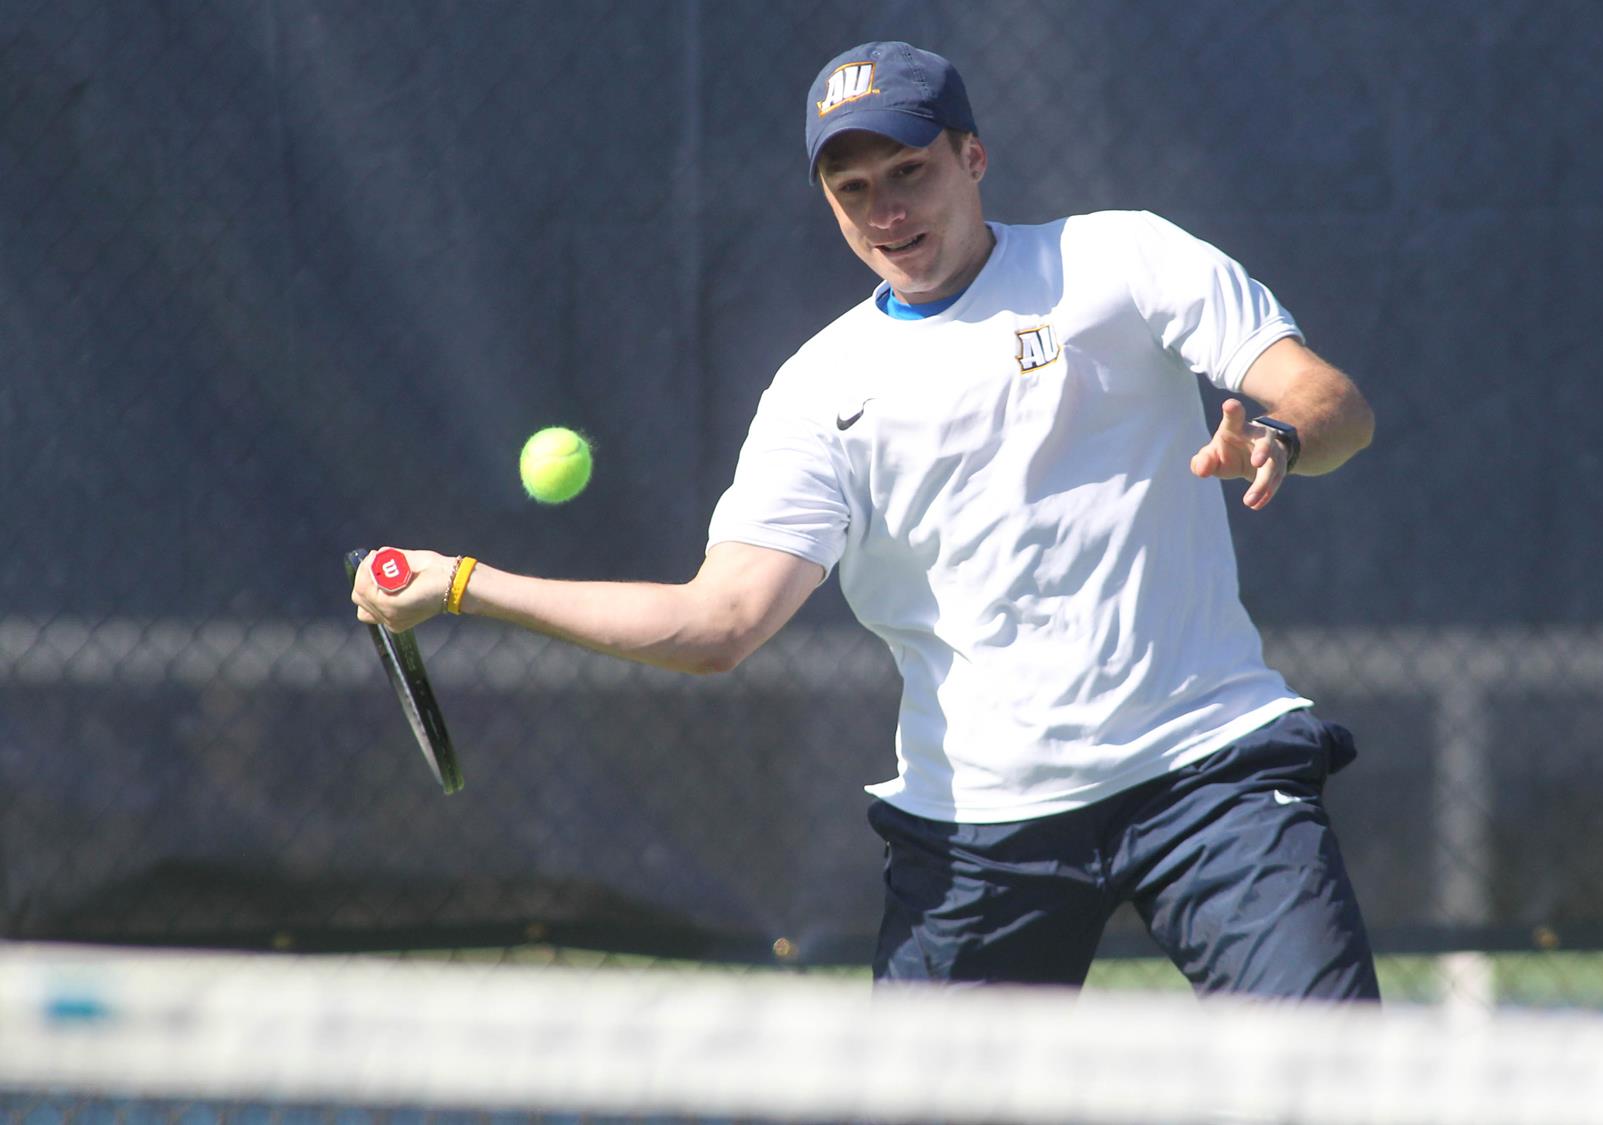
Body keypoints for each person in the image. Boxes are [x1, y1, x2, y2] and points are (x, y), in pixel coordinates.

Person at [352, 40, 1379, 999]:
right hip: (977, 830)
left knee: (1337, 1088)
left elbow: (1333, 405)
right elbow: (718, 626)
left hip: (1208, 777)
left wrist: (1283, 436)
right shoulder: (817, 391)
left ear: (971, 158)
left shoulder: (1122, 261)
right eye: (852, 191)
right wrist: (460, 585)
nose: (883, 210)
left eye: (907, 173)